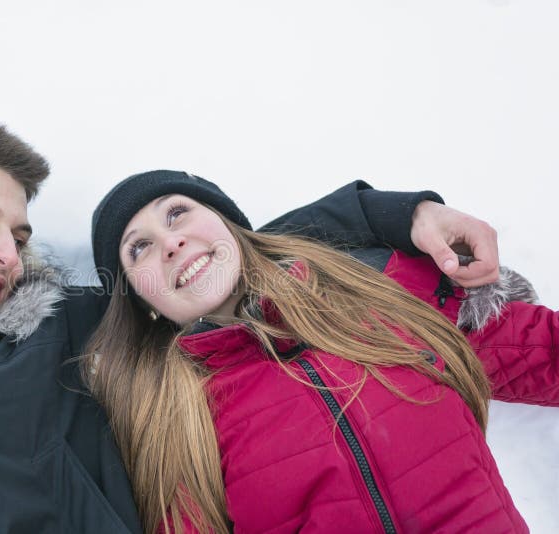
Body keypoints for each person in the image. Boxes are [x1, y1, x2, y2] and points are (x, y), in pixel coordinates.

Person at [0, 118, 500, 534]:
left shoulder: (55, 340)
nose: (3, 254)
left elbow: (220, 262)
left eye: (17, 237)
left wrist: (392, 213)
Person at [85, 170, 558, 533]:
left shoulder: (377, 291)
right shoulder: (172, 428)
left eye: (177, 213)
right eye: (139, 248)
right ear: (141, 304)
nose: (170, 242)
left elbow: (537, 350)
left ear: (227, 224)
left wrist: (397, 212)